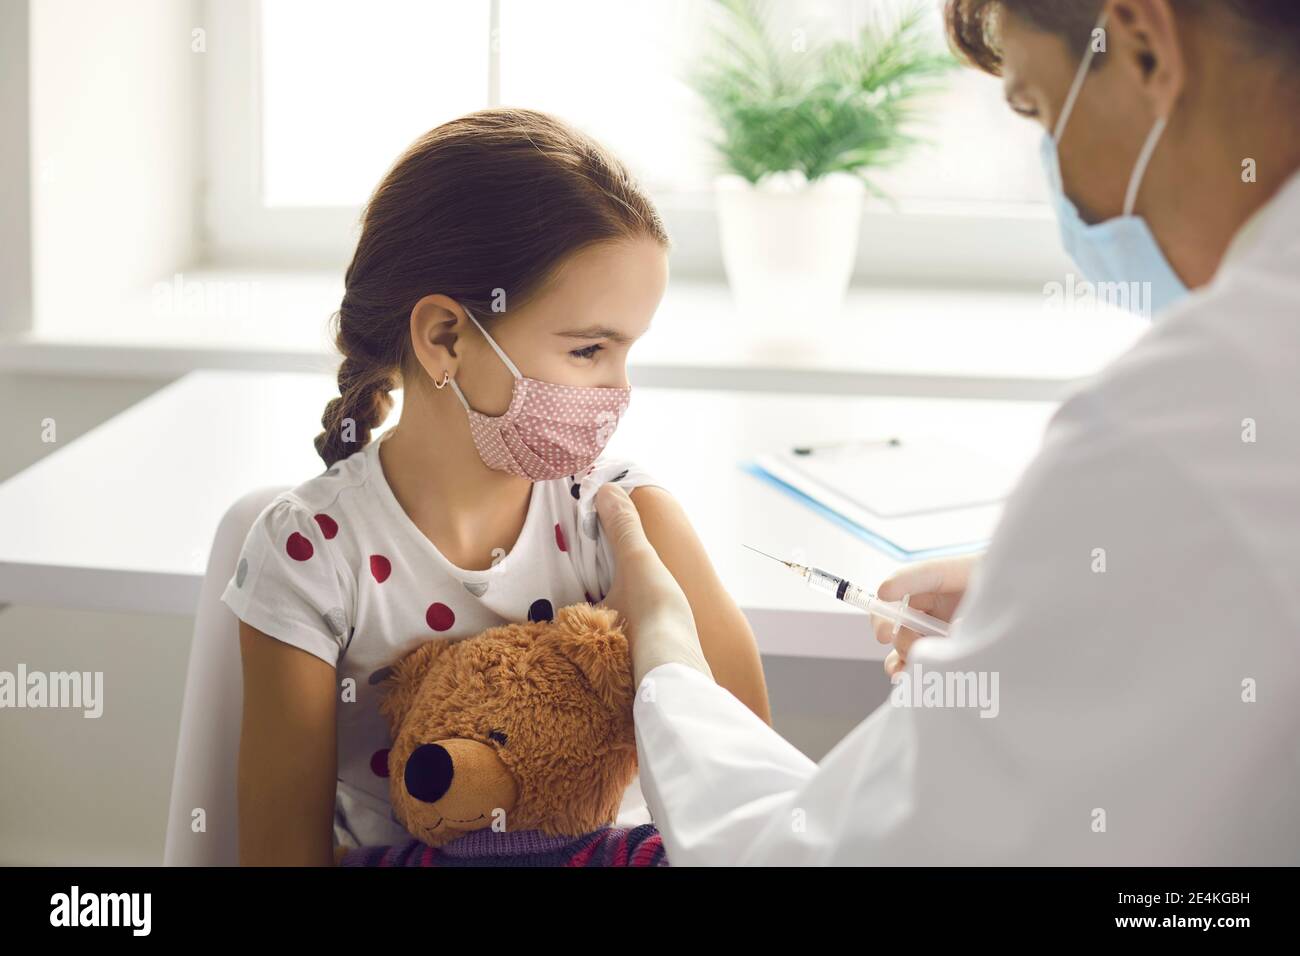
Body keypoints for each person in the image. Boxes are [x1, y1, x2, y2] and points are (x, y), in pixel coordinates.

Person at [600, 0, 1300, 865]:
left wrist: (669, 667)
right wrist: (1064, 594)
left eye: (1039, 110)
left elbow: (825, 856)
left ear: (1147, 46)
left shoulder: (1180, 428)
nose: (1065, 188)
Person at [225, 109, 769, 866]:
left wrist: (658, 617)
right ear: (445, 337)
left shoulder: (627, 523)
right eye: (588, 350)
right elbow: (282, 851)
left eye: (626, 352)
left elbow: (752, 802)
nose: (618, 391)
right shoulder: (311, 553)